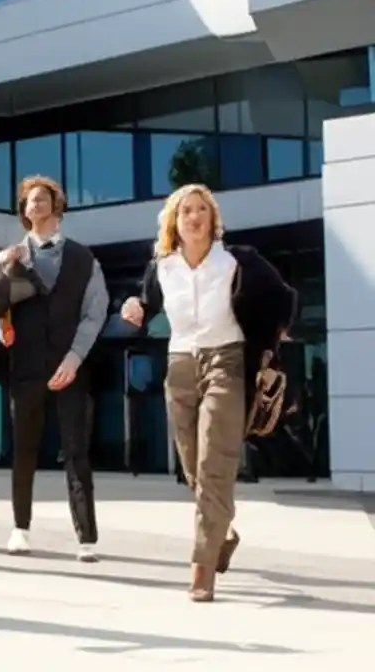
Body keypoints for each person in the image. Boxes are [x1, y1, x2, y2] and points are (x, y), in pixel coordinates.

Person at [121, 184, 296, 601]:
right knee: (193, 467)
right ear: (174, 222)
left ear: (212, 219)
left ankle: (202, 568)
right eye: (186, 210)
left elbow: (283, 296)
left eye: (202, 209)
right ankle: (224, 532)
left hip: (227, 360)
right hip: (180, 364)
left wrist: (277, 334)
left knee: (214, 462)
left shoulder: (238, 261)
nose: (194, 216)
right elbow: (146, 301)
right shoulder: (163, 266)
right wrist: (134, 306)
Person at [0, 175, 107, 562]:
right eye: (30, 199)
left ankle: (86, 538)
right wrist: (1, 326)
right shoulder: (8, 257)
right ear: (23, 211)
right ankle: (20, 529)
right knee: (24, 449)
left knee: (76, 452)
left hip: (70, 368)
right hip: (25, 367)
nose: (36, 203)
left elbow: (95, 313)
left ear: (57, 205)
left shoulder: (84, 259)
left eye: (43, 198)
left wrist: (74, 359)